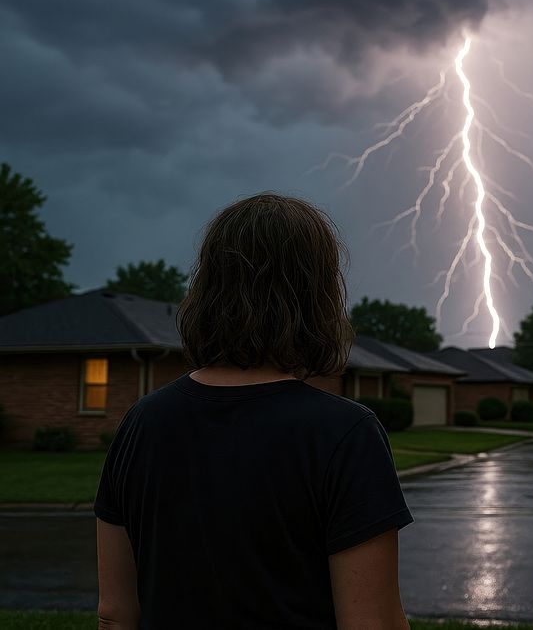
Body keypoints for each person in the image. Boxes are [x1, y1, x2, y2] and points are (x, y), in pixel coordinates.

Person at [95, 194, 412, 629]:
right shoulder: (345, 433)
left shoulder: (141, 422)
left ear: (207, 286)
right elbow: (371, 622)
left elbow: (115, 614)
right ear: (317, 296)